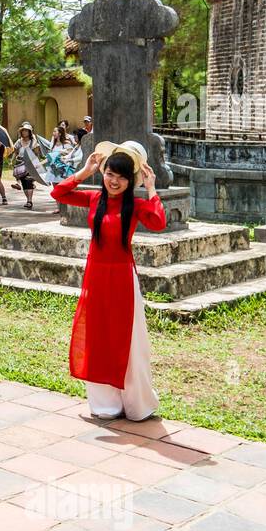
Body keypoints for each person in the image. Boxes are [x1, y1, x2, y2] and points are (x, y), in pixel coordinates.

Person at [51, 144, 167, 421]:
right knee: (98, 335)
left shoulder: (136, 205)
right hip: (97, 275)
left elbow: (159, 222)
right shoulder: (93, 199)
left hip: (123, 278)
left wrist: (151, 189)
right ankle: (106, 404)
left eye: (122, 177)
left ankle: (137, 403)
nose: (114, 181)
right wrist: (85, 171)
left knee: (128, 340)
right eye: (110, 174)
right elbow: (59, 193)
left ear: (131, 181)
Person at [12, 122, 47, 210]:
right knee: (24, 183)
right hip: (20, 163)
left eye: (26, 131)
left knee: (29, 182)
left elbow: (36, 154)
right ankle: (27, 199)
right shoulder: (19, 141)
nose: (24, 132)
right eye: (23, 131)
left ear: (29, 132)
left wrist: (37, 165)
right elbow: (15, 151)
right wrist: (12, 160)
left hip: (30, 165)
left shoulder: (33, 142)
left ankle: (30, 201)